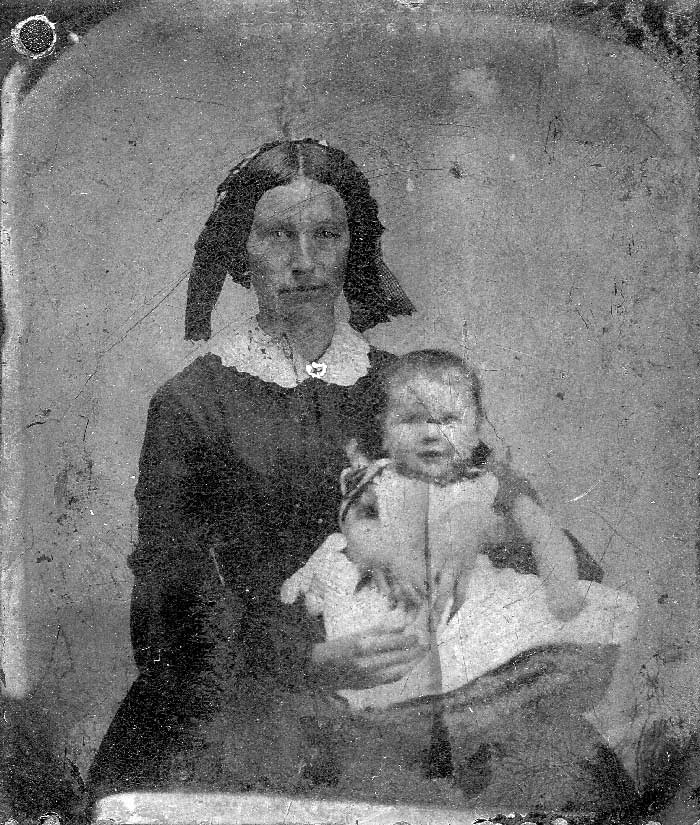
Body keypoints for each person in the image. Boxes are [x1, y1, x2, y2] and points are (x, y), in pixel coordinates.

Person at [86, 139, 633, 815]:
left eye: (327, 234)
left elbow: (526, 526)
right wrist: (308, 662)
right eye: (277, 234)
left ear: (354, 247)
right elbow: (171, 612)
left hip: (427, 689)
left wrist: (481, 536)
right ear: (240, 250)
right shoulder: (193, 403)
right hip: (258, 701)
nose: (305, 260)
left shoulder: (407, 389)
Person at [281, 348, 637, 714]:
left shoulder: (488, 483)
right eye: (411, 421)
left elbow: (544, 534)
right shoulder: (379, 478)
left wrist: (562, 592)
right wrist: (388, 554)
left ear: (475, 429)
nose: (431, 434)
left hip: (466, 594)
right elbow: (358, 526)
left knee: (505, 638)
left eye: (449, 420)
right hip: (396, 588)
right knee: (389, 647)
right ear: (384, 432)